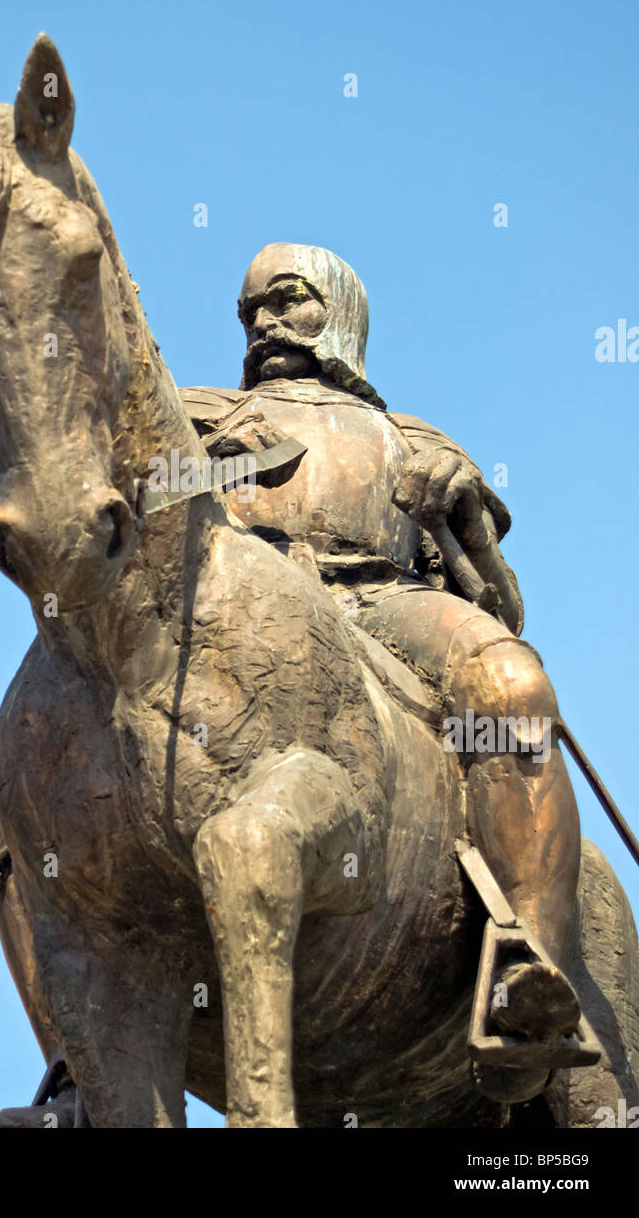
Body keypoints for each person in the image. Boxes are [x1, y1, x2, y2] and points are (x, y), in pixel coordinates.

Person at [181, 243, 583, 1102]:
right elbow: (121, 501)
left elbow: (503, 606)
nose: (262, 321)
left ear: (340, 311)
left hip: (382, 606)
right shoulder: (202, 414)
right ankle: (75, 1062)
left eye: (286, 300)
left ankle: (530, 967)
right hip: (237, 617)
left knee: (511, 685)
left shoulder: (408, 437)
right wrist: (205, 460)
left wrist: (461, 512)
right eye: (250, 308)